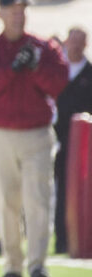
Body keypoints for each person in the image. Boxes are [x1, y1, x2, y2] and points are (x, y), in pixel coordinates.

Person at [0, 0, 68, 277]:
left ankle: (37, 264)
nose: (17, 16)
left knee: (38, 199)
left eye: (22, 10)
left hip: (36, 134)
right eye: (12, 10)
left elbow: (57, 83)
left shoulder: (43, 48)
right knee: (6, 201)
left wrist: (34, 67)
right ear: (0, 13)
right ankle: (12, 264)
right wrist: (11, 69)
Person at [54, 26, 91, 255]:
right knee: (56, 190)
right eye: (73, 41)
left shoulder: (89, 73)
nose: (75, 45)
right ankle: (60, 240)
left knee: (77, 191)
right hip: (54, 137)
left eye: (80, 41)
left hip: (81, 144)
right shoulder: (56, 69)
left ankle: (78, 240)